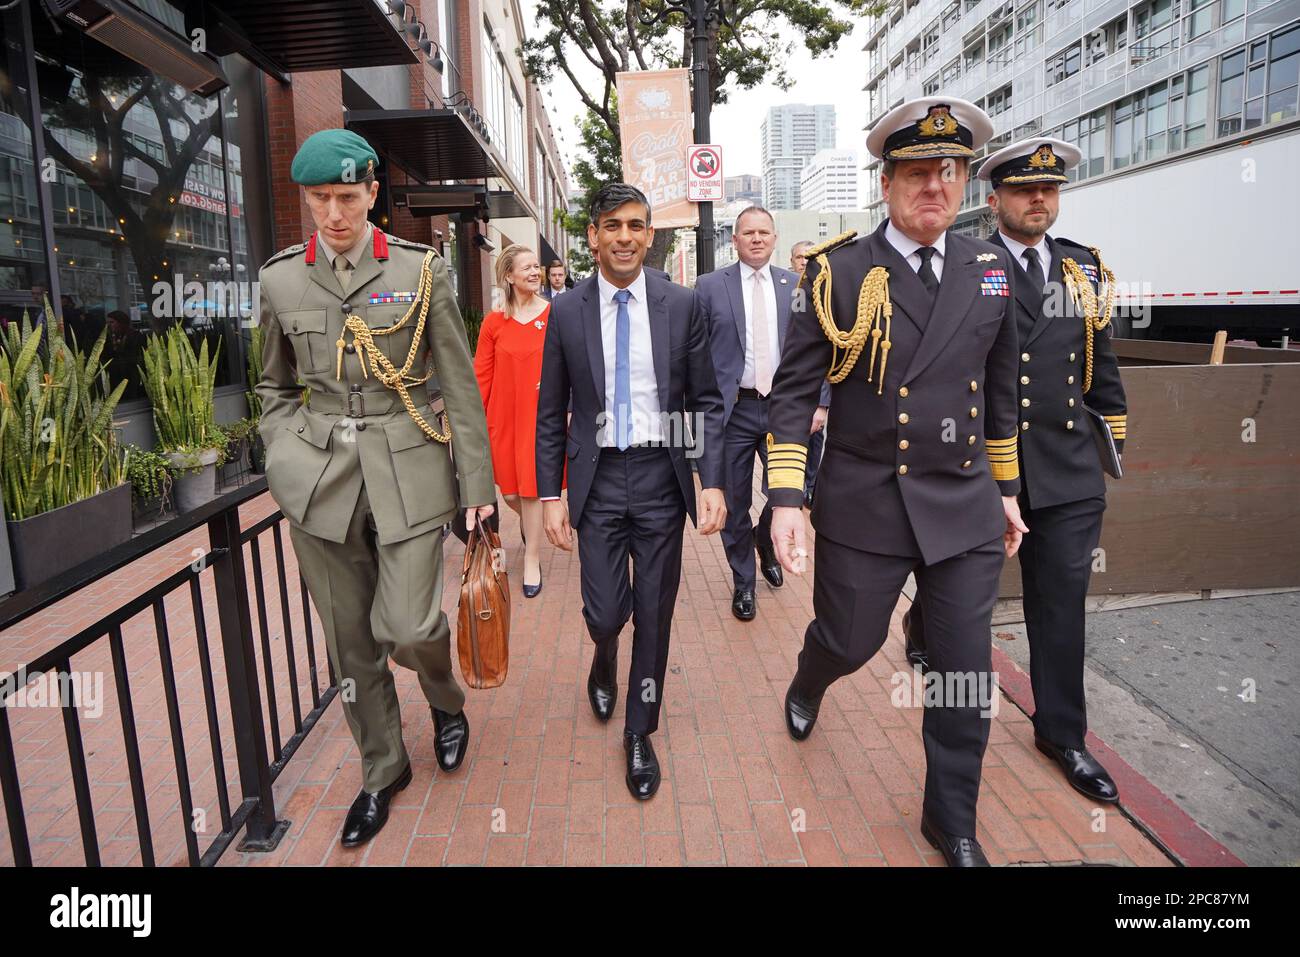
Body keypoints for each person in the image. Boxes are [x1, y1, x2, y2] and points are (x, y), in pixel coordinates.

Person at [766, 98, 1026, 867]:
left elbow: (1002, 387)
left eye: (949, 172)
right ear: (886, 183)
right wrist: (785, 498)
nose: (934, 189)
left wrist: (1006, 490)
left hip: (961, 502)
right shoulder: (841, 271)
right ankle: (812, 679)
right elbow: (791, 393)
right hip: (866, 498)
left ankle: (952, 821)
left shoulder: (989, 268)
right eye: (917, 173)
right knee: (850, 640)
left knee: (961, 671)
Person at [255, 129, 495, 849]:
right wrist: (281, 454)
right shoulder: (279, 279)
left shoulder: (421, 271)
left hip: (410, 463)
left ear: (371, 195)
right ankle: (382, 768)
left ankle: (446, 703)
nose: (333, 213)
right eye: (319, 199)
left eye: (347, 197)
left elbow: (457, 379)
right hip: (320, 480)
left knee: (410, 625)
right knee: (351, 643)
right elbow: (271, 383)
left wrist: (477, 484)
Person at [903, 137, 1128, 804]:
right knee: (956, 598)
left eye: (1049, 190)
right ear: (994, 197)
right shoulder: (966, 265)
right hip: (980, 470)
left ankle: (1062, 733)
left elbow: (1100, 366)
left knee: (1060, 607)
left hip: (1064, 471)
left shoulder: (1083, 270)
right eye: (1025, 189)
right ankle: (921, 628)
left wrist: (1111, 439)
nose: (1039, 200)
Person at [535, 182, 726, 801]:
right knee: (605, 610)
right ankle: (603, 653)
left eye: (635, 226)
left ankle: (640, 731)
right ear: (592, 236)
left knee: (655, 608)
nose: (624, 237)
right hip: (595, 477)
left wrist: (713, 480)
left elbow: (704, 400)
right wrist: (550, 494)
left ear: (650, 235)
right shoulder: (566, 310)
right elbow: (550, 410)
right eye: (611, 225)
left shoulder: (682, 304)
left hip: (659, 479)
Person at [696, 208, 829, 622]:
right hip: (733, 411)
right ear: (734, 240)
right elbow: (694, 354)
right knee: (734, 500)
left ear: (775, 238)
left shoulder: (797, 285)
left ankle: (764, 538)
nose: (756, 239)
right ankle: (744, 582)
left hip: (784, 409)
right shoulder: (708, 287)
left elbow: (818, 347)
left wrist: (821, 402)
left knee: (786, 489)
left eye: (764, 233)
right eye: (747, 233)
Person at [474, 244, 555, 597]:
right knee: (510, 492)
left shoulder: (555, 315)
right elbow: (482, 374)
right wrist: (473, 420)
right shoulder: (494, 321)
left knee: (532, 489)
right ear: (509, 276)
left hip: (539, 417)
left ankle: (532, 559)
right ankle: (531, 524)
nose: (535, 272)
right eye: (527, 268)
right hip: (502, 416)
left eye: (537, 267)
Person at [789, 240, 826, 510]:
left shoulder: (825, 293)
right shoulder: (785, 290)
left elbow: (828, 352)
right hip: (785, 394)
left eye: (809, 257)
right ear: (792, 260)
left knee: (814, 443)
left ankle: (810, 488)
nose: (804, 262)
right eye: (800, 257)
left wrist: (823, 403)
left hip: (814, 394)